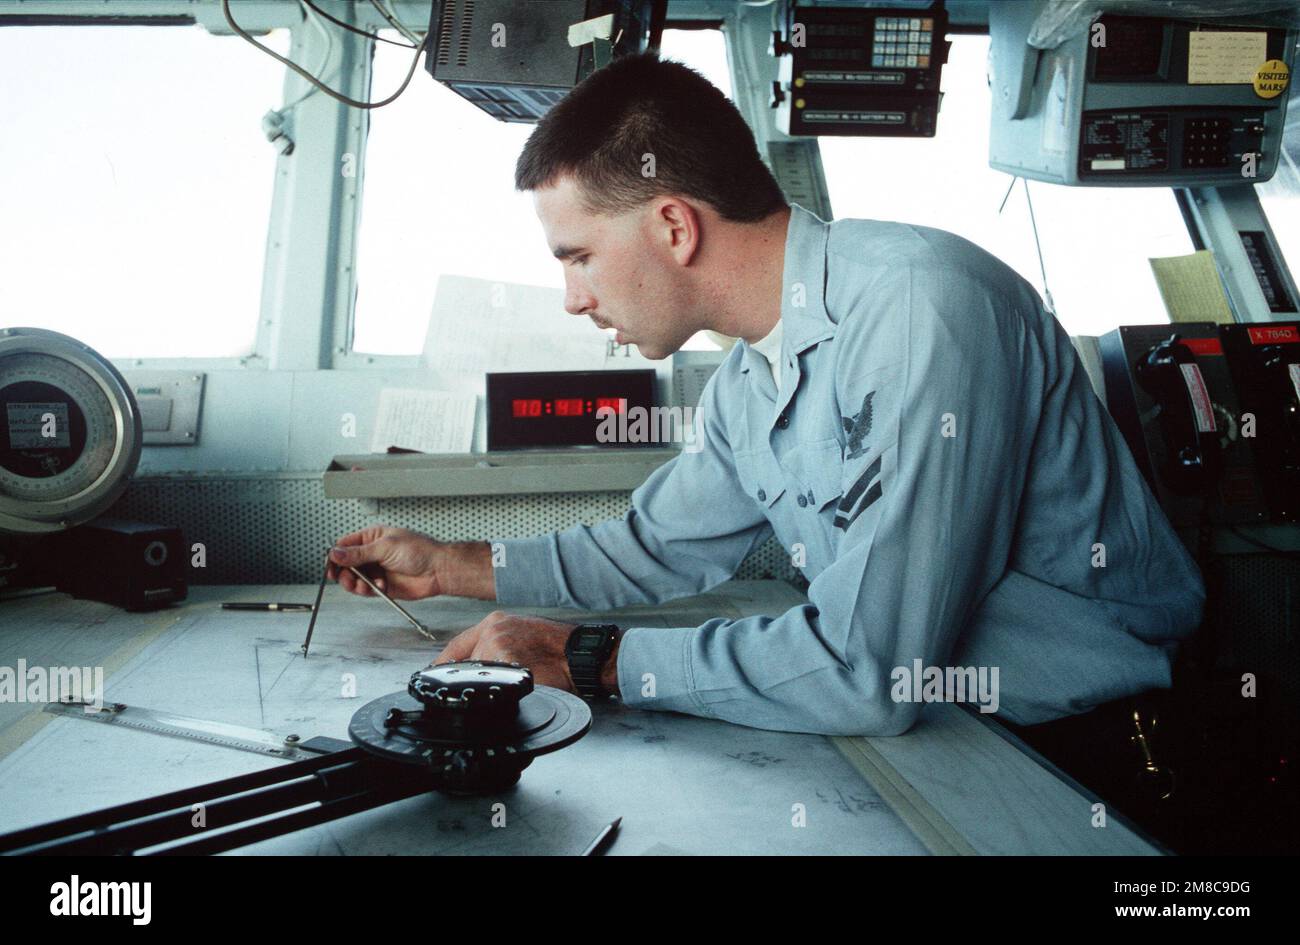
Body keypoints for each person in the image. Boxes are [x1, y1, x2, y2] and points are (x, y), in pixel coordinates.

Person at [327, 53, 1204, 737]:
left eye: (578, 257)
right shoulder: (749, 382)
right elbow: (650, 547)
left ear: (674, 225)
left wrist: (584, 656)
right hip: (949, 723)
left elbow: (872, 674)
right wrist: (451, 565)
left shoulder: (918, 309)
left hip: (1083, 747)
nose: (573, 298)